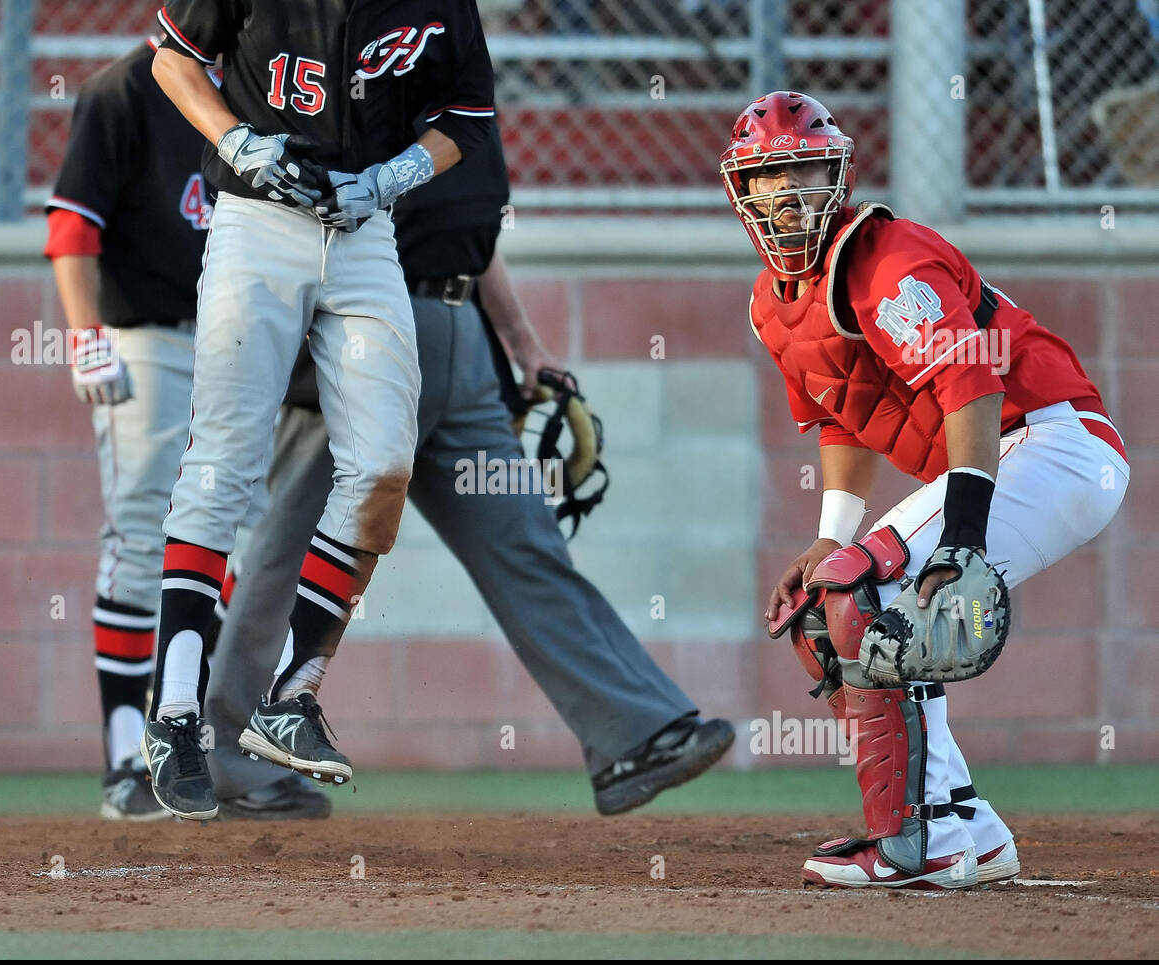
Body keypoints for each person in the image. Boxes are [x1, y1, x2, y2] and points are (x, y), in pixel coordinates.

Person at [205, 121, 735, 816]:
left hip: (460, 340)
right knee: (289, 550)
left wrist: (524, 346)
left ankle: (633, 734)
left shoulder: (459, 98)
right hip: (366, 333)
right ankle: (231, 757)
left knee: (525, 544)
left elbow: (473, 242)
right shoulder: (362, 78)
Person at [725, 91, 1128, 889]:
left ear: (836, 175)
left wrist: (962, 538)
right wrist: (831, 538)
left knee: (862, 593)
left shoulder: (885, 257)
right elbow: (846, 416)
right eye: (770, 177)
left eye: (804, 170)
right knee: (826, 603)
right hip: (1015, 452)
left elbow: (972, 384)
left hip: (1054, 442)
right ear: (743, 193)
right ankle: (968, 830)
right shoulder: (773, 306)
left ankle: (920, 843)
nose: (789, 192)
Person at [143, 0, 496, 819]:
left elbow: (467, 114)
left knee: (380, 465)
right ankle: (175, 716)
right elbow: (172, 59)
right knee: (224, 465)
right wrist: (234, 141)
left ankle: (289, 699)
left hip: (364, 229)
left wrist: (393, 175)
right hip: (257, 223)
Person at [45, 34, 324, 821]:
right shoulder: (122, 88)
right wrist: (83, 333)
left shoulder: (256, 81)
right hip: (150, 336)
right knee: (142, 532)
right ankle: (126, 759)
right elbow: (72, 224)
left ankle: (194, 744)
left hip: (239, 340)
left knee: (242, 534)